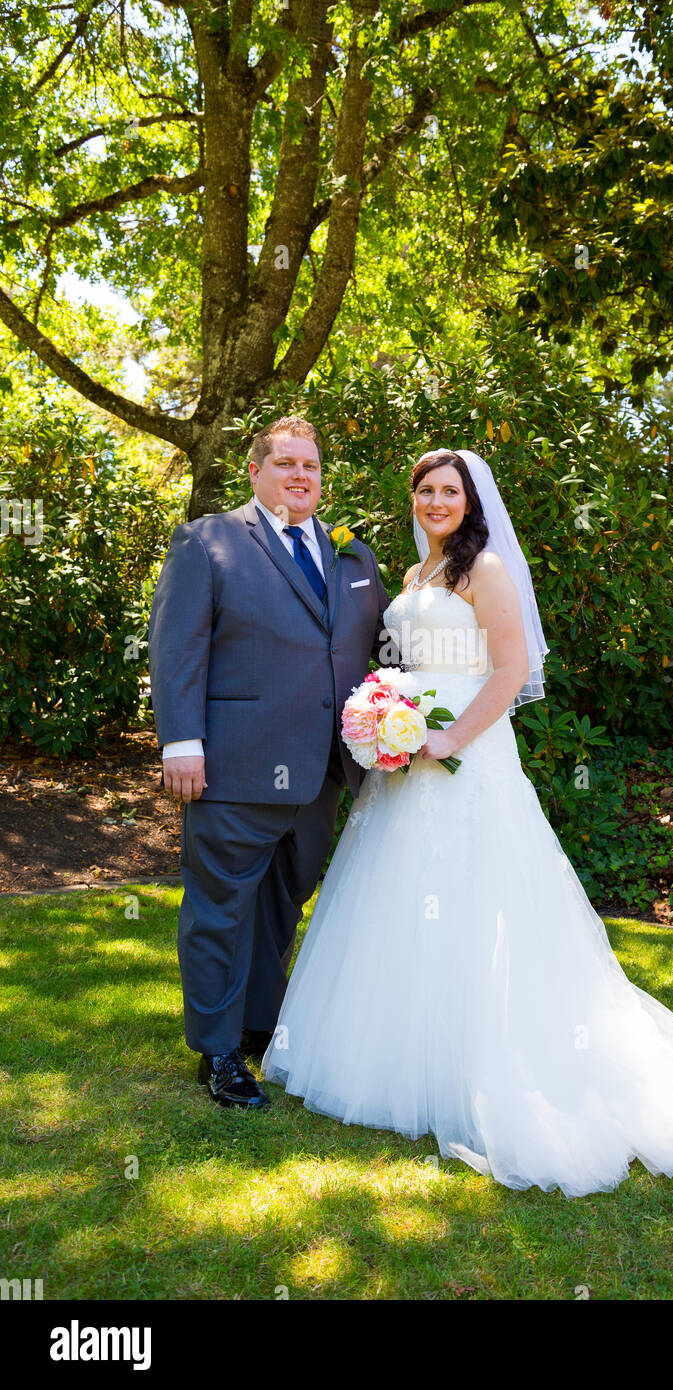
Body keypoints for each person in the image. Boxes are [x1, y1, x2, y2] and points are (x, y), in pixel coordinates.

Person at [261, 447, 673, 1197]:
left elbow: (508, 672)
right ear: (412, 499)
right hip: (405, 764)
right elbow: (397, 666)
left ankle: (488, 1061)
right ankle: (396, 1055)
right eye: (426, 489)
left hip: (468, 756)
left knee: (480, 903)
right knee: (394, 899)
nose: (437, 500)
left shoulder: (486, 573)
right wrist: (389, 721)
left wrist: (444, 738)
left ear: (470, 503)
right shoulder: (411, 578)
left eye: (451, 490)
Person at [148, 416, 390, 1109]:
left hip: (321, 773)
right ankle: (217, 1053)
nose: (299, 476)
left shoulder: (354, 556)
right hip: (234, 768)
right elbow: (178, 646)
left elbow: (378, 650)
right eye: (285, 463)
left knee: (283, 902)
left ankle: (257, 1024)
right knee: (220, 910)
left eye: (310, 466)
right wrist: (181, 743)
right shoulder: (210, 541)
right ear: (255, 472)